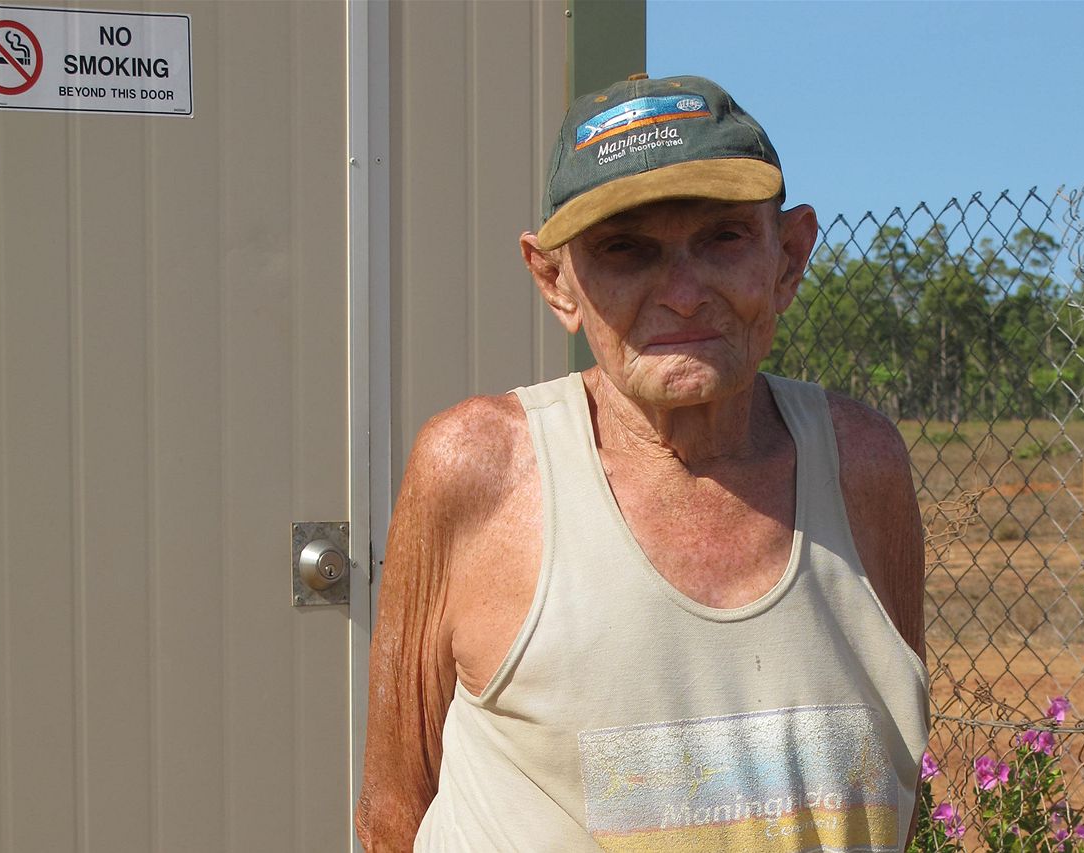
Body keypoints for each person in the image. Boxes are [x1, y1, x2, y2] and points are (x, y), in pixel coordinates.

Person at [357, 73, 928, 852]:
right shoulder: (480, 469)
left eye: (722, 238)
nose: (684, 294)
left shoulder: (864, 466)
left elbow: (890, 781)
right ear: (555, 280)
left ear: (788, 255)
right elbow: (392, 814)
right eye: (625, 250)